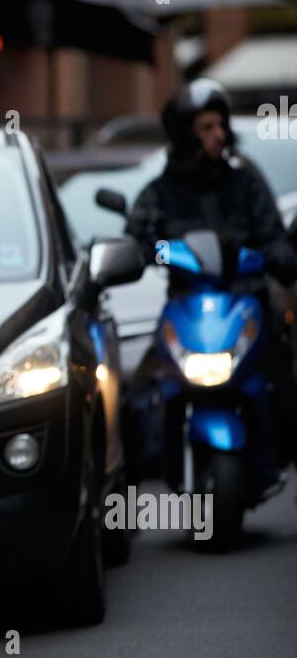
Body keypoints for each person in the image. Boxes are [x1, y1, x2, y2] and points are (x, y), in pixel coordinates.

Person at [124, 78, 297, 489]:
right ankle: (130, 494)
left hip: (245, 306)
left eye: (220, 126)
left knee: (289, 391)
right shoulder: (161, 191)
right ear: (185, 134)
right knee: (135, 395)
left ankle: (280, 460)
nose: (218, 135)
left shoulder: (245, 183)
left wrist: (280, 255)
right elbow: (140, 238)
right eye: (206, 127)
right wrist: (159, 252)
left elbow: (272, 234)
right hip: (187, 305)